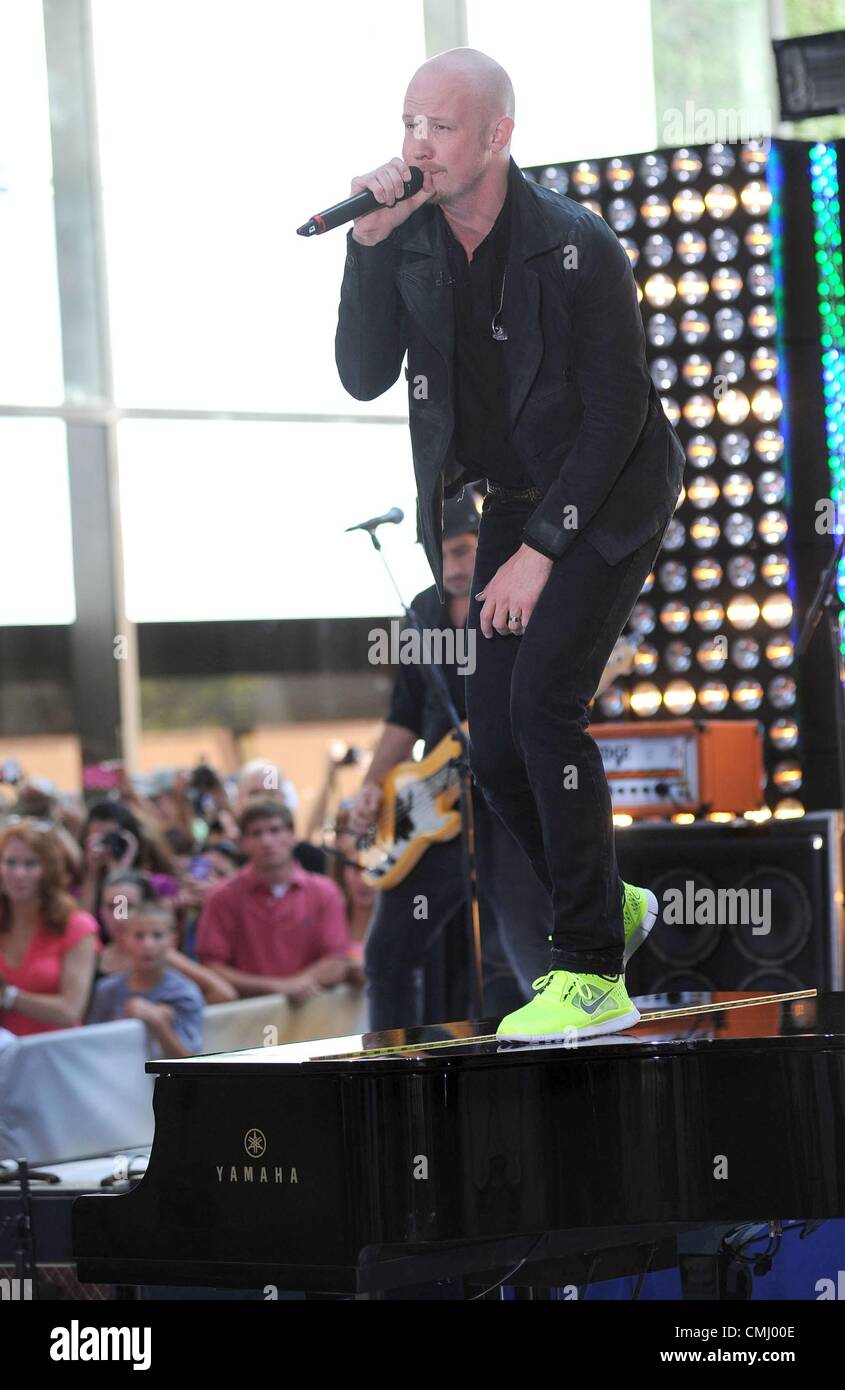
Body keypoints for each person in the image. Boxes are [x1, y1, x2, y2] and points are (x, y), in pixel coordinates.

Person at [335, 47, 684, 1041]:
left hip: (607, 488)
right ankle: (606, 902)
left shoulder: (576, 244)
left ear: (496, 136)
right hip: (513, 497)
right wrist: (365, 245)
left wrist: (540, 550)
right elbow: (364, 375)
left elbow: (618, 411)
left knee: (540, 706)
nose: (417, 145)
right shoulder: (409, 248)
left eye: (439, 127)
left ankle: (589, 970)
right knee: (489, 744)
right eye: (408, 124)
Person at [347, 492, 551, 1030]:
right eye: (439, 553)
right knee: (387, 954)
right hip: (436, 804)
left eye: (462, 551)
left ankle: (553, 1062)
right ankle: (390, 1073)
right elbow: (404, 716)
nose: (451, 567)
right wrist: (370, 786)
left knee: (528, 949)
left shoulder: (517, 599)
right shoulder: (421, 611)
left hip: (509, 799)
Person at [196, 799, 359, 1004]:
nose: (266, 841)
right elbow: (212, 967)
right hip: (246, 1024)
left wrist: (295, 985)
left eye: (275, 830)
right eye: (256, 833)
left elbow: (336, 961)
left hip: (317, 1019)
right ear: (243, 843)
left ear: (292, 836)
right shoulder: (221, 897)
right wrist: (281, 988)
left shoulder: (325, 891)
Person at [0, 819, 99, 1035]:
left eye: (30, 864)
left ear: (48, 870)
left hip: (55, 1055)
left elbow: (71, 1010)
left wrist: (9, 996)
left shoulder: (76, 925)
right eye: (10, 862)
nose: (19, 874)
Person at [97, 869, 236, 1004]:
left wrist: (179, 1012)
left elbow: (223, 992)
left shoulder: (160, 954)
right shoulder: (94, 955)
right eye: (112, 907)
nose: (119, 917)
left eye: (129, 906)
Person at [87, 903, 204, 1058]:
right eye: (139, 936)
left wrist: (159, 1024)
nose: (148, 945)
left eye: (157, 936)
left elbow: (190, 1062)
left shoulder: (184, 993)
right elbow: (91, 1047)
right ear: (124, 941)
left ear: (173, 940)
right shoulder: (106, 990)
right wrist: (124, 1020)